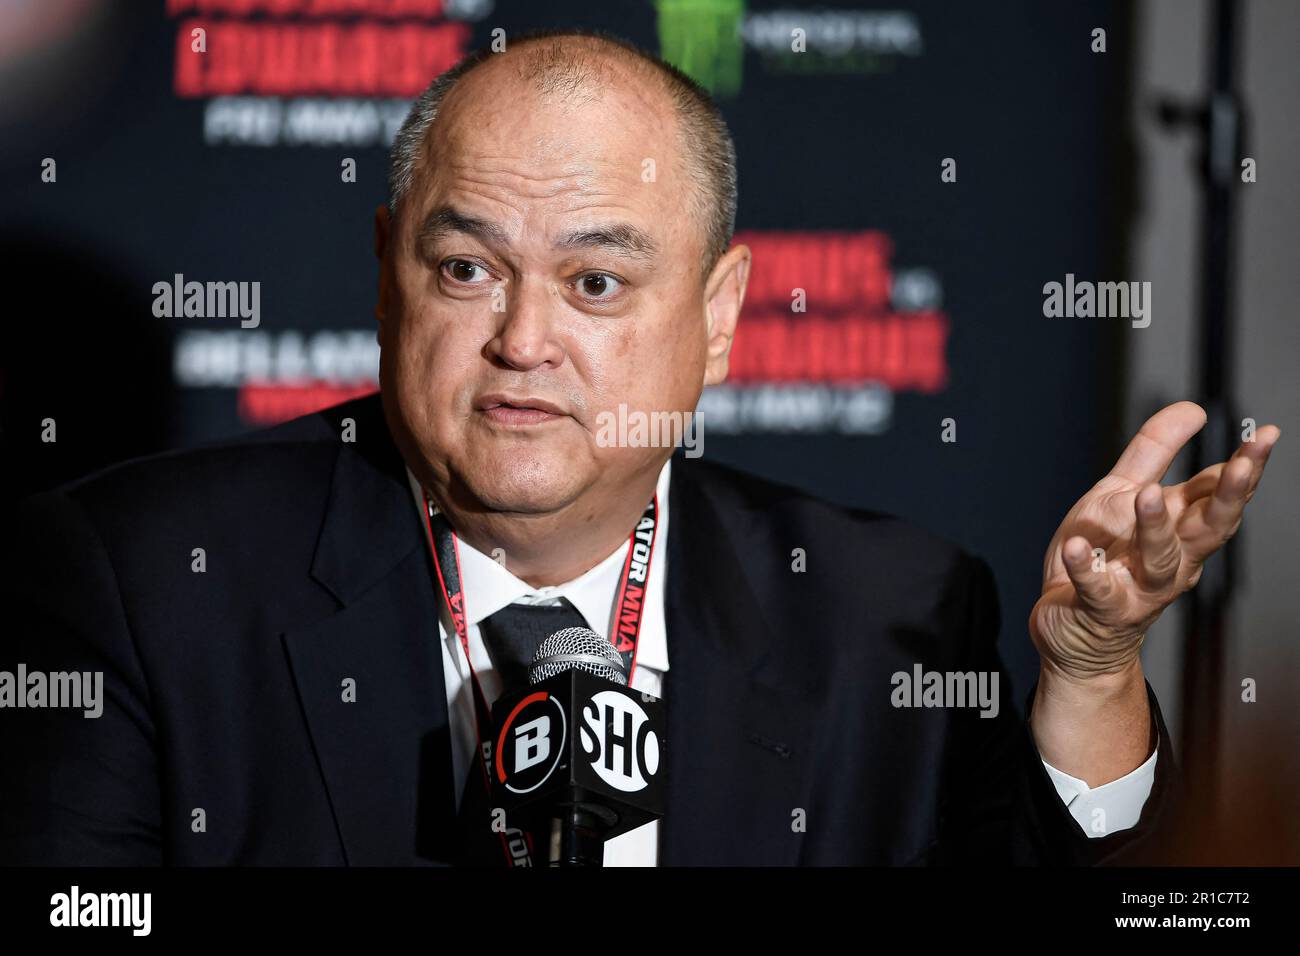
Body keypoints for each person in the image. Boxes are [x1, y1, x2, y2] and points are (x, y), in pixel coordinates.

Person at [0, 29, 1279, 866]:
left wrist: (1095, 671)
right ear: (389, 284)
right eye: (463, 269)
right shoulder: (147, 581)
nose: (522, 339)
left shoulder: (887, 614)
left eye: (597, 283)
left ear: (719, 317)